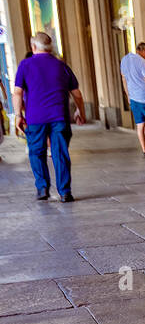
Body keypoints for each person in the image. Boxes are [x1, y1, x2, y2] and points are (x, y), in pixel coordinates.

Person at [12, 31, 86, 201]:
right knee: (60, 153)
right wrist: (79, 111)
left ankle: (43, 188)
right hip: (59, 116)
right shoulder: (62, 66)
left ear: (33, 47)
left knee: (36, 152)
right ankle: (65, 192)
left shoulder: (25, 65)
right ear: (50, 47)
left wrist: (18, 115)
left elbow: (17, 93)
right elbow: (77, 94)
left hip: (35, 118)